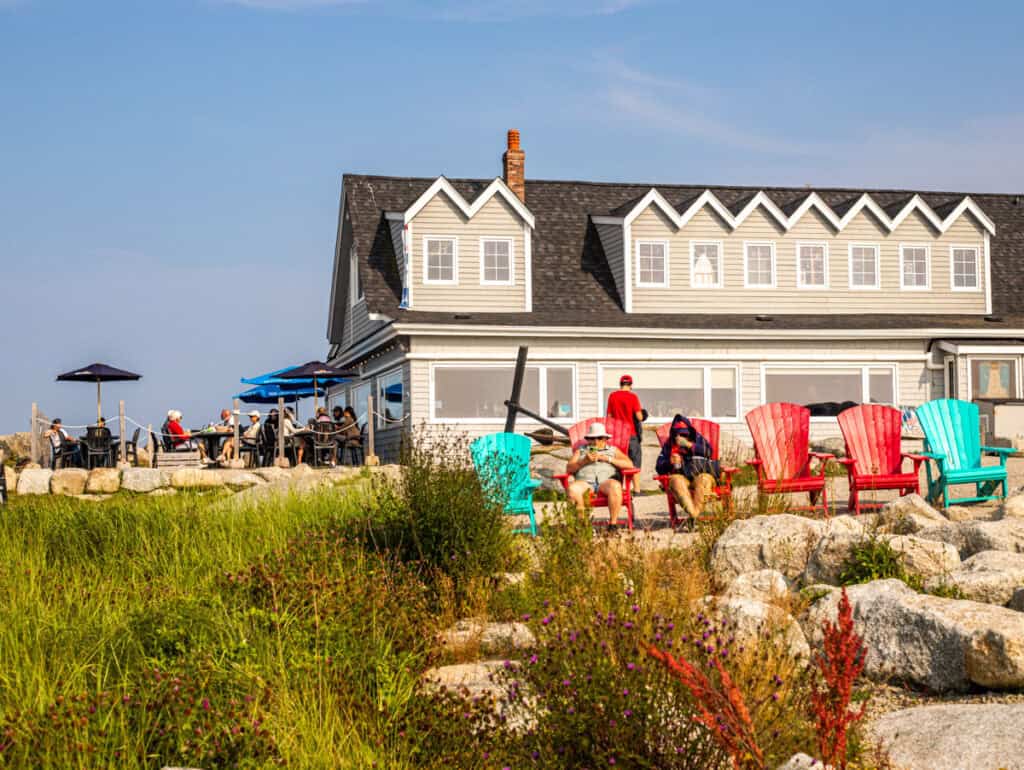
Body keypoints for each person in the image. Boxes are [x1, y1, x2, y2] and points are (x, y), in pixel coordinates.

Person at [655, 414, 720, 529]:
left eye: (684, 433)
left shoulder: (697, 438)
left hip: (700, 473)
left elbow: (709, 452)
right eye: (677, 434)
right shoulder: (669, 445)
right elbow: (659, 467)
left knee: (704, 480)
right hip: (681, 476)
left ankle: (692, 516)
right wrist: (669, 462)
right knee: (676, 481)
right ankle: (694, 515)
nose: (680, 436)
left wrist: (689, 445)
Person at [565, 422, 634, 530]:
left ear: (605, 438)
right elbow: (569, 468)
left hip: (606, 482)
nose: (596, 441)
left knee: (615, 486)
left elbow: (629, 465)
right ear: (588, 439)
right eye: (592, 438)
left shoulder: (612, 450)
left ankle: (612, 525)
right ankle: (582, 526)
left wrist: (607, 459)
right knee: (572, 489)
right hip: (585, 483)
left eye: (599, 438)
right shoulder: (581, 451)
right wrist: (584, 461)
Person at [606, 374, 645, 470]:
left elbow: (609, 417)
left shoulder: (612, 396)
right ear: (631, 385)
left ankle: (621, 484)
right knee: (635, 462)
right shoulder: (633, 397)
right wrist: (644, 414)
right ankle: (635, 485)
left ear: (620, 384)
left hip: (618, 435)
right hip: (631, 434)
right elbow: (639, 417)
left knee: (619, 462)